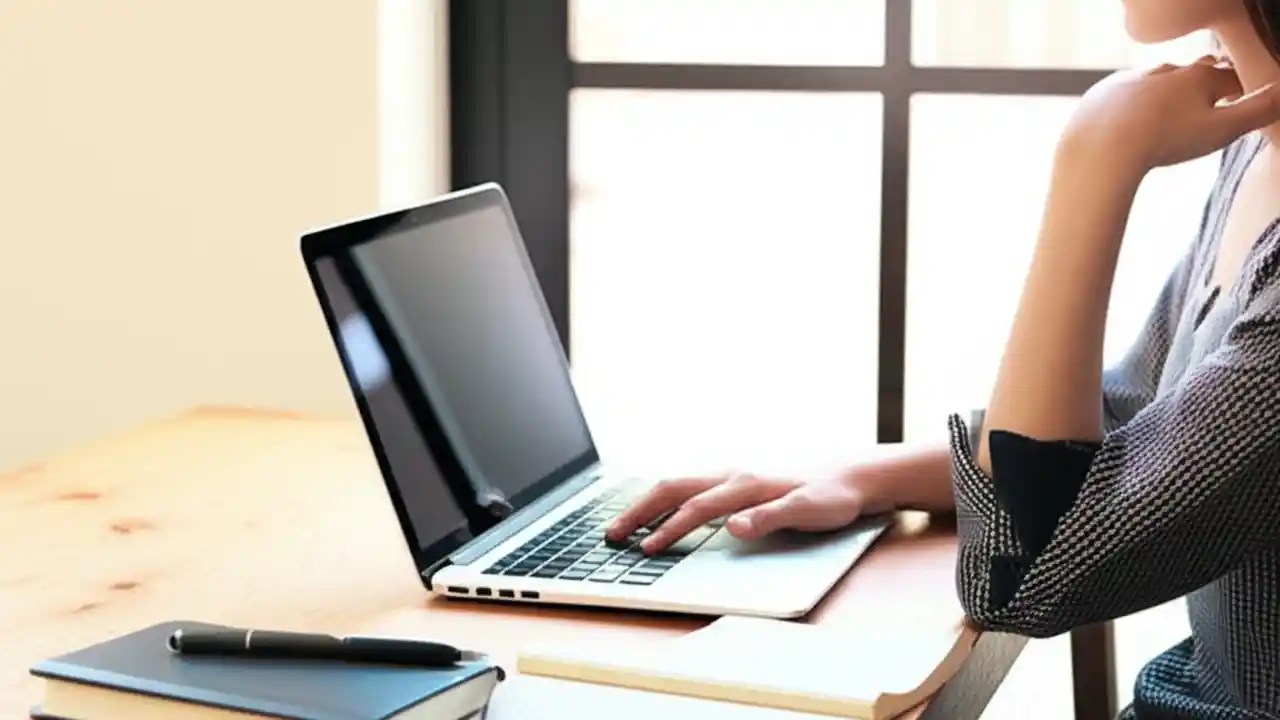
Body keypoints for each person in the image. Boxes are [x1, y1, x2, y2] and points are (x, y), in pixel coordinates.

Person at [606, 1, 1280, 717]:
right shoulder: (1254, 145)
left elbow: (1024, 578)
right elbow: (1137, 423)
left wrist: (1095, 161)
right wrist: (866, 475)